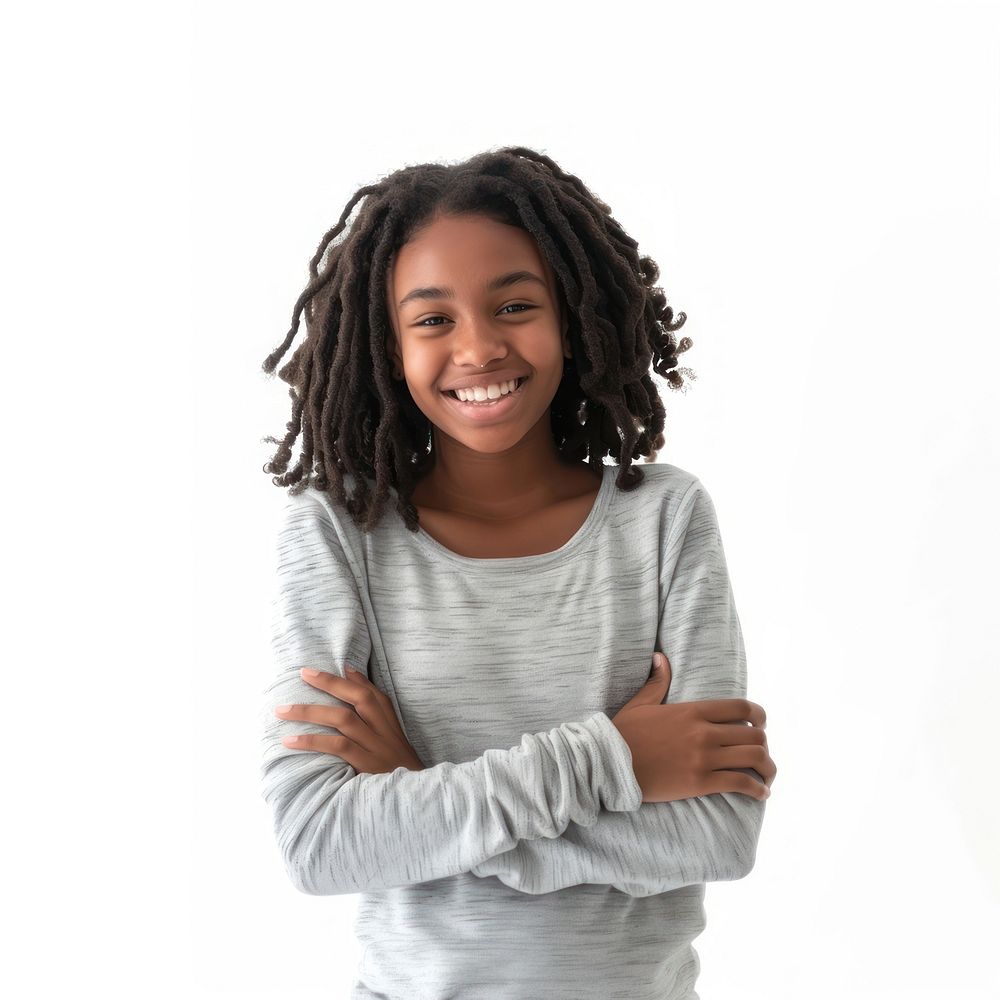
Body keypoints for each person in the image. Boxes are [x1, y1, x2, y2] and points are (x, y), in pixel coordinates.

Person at [257, 145, 777, 999]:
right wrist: (617, 762)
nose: (480, 346)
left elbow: (718, 832)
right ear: (388, 346)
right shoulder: (338, 536)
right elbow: (320, 841)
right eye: (433, 319)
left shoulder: (665, 520)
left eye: (514, 304)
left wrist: (420, 799)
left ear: (572, 315)